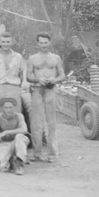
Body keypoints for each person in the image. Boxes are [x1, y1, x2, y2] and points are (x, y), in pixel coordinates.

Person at [26, 32, 65, 163]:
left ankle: (52, 154)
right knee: (36, 124)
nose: (43, 45)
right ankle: (37, 154)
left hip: (50, 91)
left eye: (45, 42)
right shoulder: (32, 58)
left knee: (51, 123)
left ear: (50, 42)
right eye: (41, 43)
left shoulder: (56, 58)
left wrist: (54, 80)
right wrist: (38, 80)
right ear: (37, 44)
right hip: (37, 91)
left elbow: (62, 75)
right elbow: (28, 77)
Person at [0, 32, 27, 114]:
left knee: (15, 113)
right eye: (3, 42)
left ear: (11, 42)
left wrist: (16, 86)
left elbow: (21, 74)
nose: (5, 44)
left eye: (8, 42)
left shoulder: (18, 57)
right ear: (0, 43)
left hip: (13, 87)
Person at [0, 97, 30, 175]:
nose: (8, 110)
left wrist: (6, 132)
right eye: (6, 108)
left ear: (14, 108)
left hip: (18, 141)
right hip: (5, 143)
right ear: (2, 108)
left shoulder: (19, 116)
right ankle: (11, 161)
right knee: (0, 166)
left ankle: (19, 164)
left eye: (10, 107)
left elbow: (24, 129)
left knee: (19, 136)